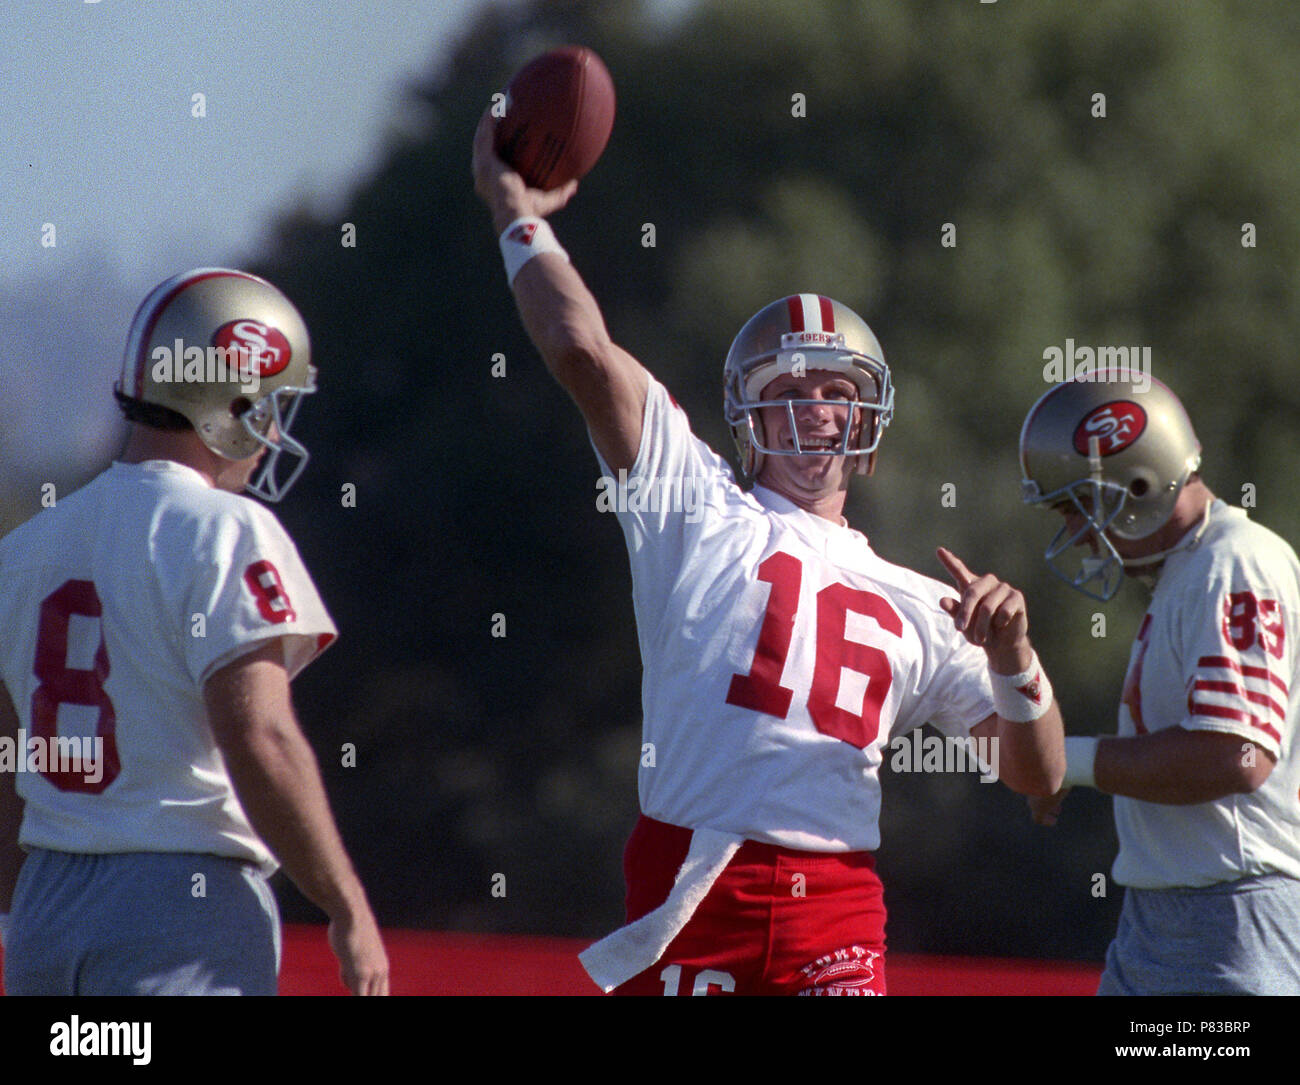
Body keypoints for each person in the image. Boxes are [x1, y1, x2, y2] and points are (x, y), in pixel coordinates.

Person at [473, 113, 1064, 995]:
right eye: (789, 389)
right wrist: (516, 212)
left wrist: (1016, 655)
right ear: (745, 414)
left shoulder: (922, 598)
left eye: (836, 390)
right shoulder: (696, 506)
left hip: (837, 904)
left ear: (868, 417)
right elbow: (581, 349)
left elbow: (1040, 775)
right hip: (693, 879)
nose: (816, 409)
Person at [0, 268, 388, 996]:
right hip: (177, 901)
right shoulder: (227, 530)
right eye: (267, 407)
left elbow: (3, 761)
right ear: (229, 404)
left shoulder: (24, 549)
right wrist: (347, 904)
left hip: (46, 903)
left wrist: (18, 914)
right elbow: (260, 737)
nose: (273, 433)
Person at [1019, 372, 1300, 995]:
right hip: (1168, 914)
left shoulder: (1235, 561)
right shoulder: (1192, 567)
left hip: (1231, 917)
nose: (1077, 533)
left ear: (1138, 483)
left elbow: (1237, 754)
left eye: (1078, 505)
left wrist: (1065, 762)